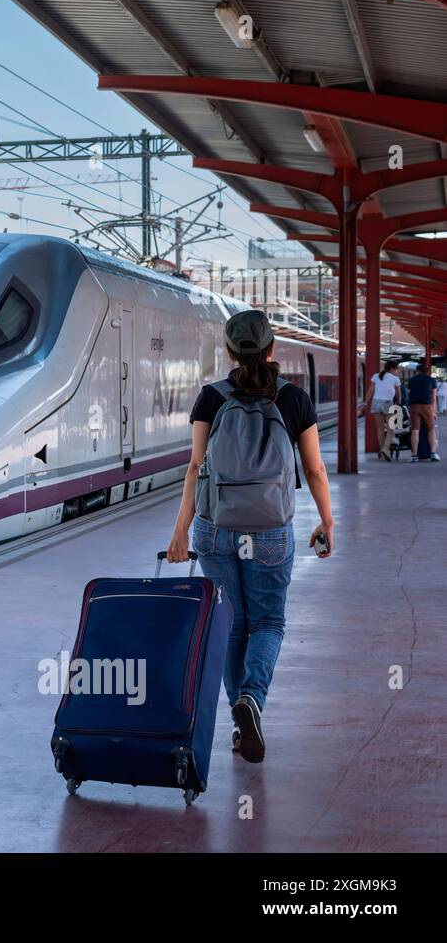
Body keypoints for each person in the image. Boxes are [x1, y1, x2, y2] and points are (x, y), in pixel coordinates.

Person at [167, 310, 334, 765]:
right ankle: (252, 700)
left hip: (215, 529)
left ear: (228, 351)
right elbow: (316, 469)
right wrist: (326, 521)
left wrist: (181, 532)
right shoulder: (294, 399)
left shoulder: (210, 398)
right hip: (270, 532)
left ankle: (239, 725)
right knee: (268, 623)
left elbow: (196, 468)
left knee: (233, 625)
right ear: (271, 349)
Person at [363, 358, 402, 461]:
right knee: (391, 429)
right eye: (397, 369)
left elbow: (370, 391)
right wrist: (399, 403)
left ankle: (382, 451)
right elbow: (398, 395)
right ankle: (385, 449)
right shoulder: (395, 379)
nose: (397, 371)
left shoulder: (376, 376)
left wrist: (366, 403)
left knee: (380, 428)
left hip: (376, 403)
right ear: (392, 369)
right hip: (388, 403)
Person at [405, 363, 440, 462]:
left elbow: (409, 393)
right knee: (431, 429)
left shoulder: (412, 380)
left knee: (415, 431)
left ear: (418, 371)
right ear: (428, 371)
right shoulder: (432, 380)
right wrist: (433, 412)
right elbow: (433, 397)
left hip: (414, 406)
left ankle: (414, 455)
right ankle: (433, 453)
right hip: (427, 407)